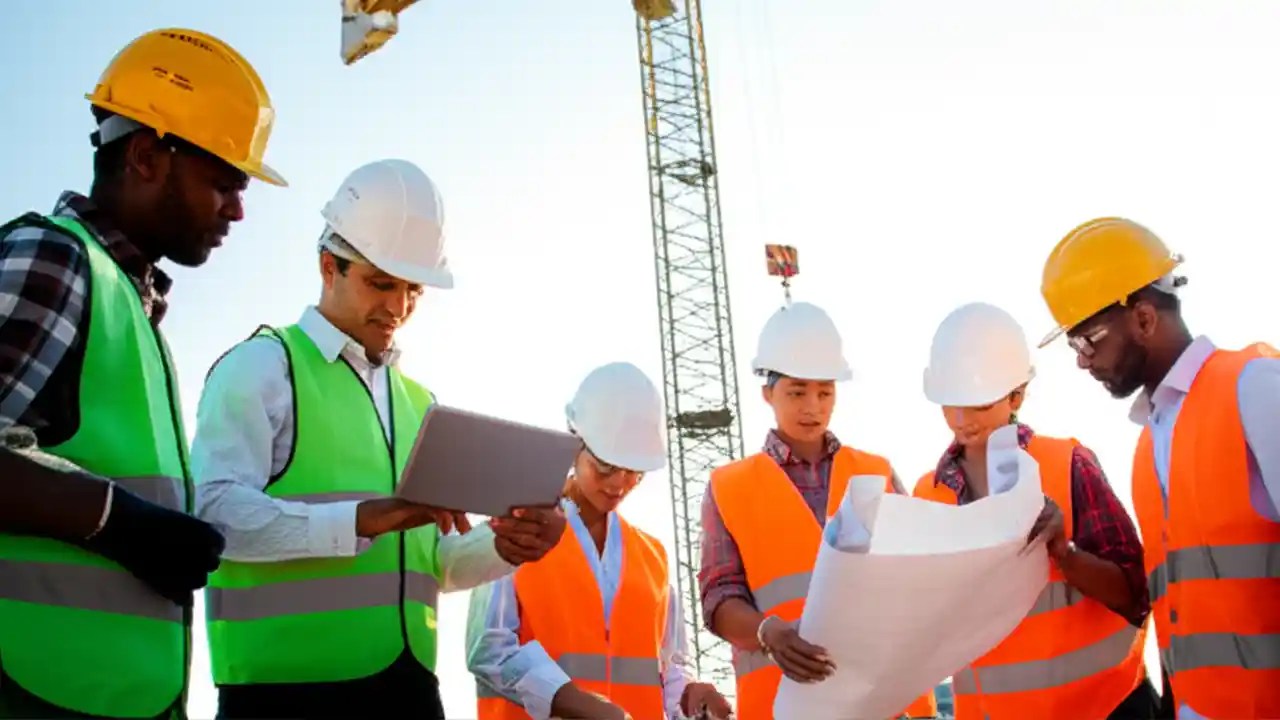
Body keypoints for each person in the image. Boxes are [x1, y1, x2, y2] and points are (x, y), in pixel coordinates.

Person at [190, 158, 566, 719]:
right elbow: (212, 516)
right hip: (283, 697)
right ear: (328, 266)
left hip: (409, 694)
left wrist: (505, 546)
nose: (397, 307)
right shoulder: (263, 368)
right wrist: (368, 517)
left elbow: (434, 564)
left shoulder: (420, 404)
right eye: (379, 283)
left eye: (413, 289)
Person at [0, 28, 285, 720]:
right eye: (223, 183)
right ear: (147, 155)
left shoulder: (130, 305)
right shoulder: (54, 258)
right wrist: (118, 523)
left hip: (109, 697)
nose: (238, 209)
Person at [1038, 217, 1280, 720]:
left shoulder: (1254, 389)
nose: (1082, 362)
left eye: (1088, 341)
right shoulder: (1149, 445)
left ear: (1144, 319)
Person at [913, 301, 1157, 719]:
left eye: (978, 404)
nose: (961, 419)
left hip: (1105, 709)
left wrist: (1065, 553)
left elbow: (1136, 595)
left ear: (1016, 394)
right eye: (950, 404)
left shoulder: (1068, 463)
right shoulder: (927, 495)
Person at [696, 301, 934, 720]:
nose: (813, 406)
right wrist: (767, 632)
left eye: (825, 392)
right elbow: (719, 597)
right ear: (767, 392)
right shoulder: (729, 486)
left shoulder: (875, 473)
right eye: (797, 392)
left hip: (882, 703)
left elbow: (917, 577)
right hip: (783, 704)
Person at [466, 361, 734, 720]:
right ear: (574, 443)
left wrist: (689, 693)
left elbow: (669, 668)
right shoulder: (515, 529)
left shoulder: (652, 556)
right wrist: (575, 702)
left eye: (633, 472)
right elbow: (489, 650)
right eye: (606, 466)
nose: (618, 484)